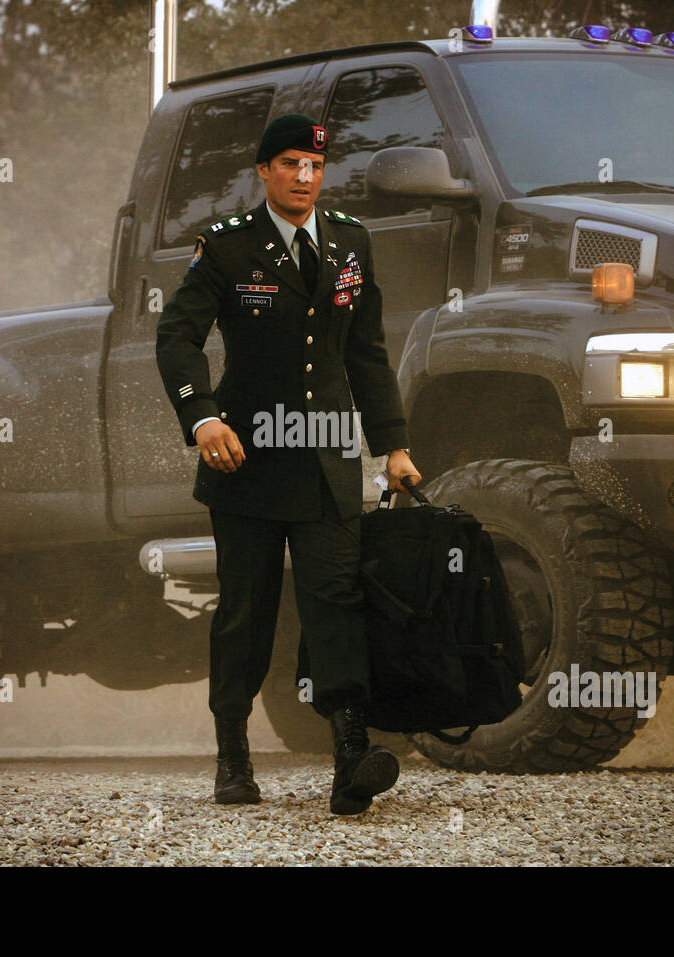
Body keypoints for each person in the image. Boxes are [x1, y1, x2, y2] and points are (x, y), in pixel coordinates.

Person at [155, 113, 421, 814]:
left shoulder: (350, 242)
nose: (305, 178)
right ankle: (233, 757)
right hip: (248, 462)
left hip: (330, 460)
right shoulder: (227, 247)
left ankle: (348, 759)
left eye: (314, 166)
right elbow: (177, 335)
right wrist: (201, 414)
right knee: (247, 613)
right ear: (264, 172)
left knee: (336, 603)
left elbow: (366, 352)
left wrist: (392, 443)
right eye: (291, 165)